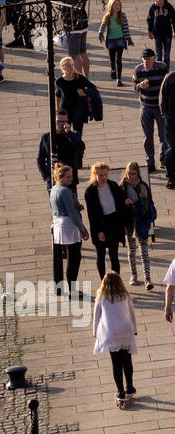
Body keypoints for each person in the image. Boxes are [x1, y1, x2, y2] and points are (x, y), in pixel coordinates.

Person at [93, 272, 138, 405]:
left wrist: (95, 332)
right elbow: (132, 314)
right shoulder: (125, 296)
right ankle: (130, 387)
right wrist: (135, 330)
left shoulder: (101, 297)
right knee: (127, 361)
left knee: (116, 363)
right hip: (125, 332)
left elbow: (96, 317)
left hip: (111, 334)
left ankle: (120, 391)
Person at [51, 163, 88, 295]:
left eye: (71, 176)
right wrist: (83, 229)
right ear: (60, 178)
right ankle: (72, 289)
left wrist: (77, 204)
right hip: (69, 226)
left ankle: (61, 288)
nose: (71, 179)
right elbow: (72, 213)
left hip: (58, 223)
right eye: (68, 177)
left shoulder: (55, 189)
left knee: (66, 257)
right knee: (74, 258)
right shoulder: (65, 191)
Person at [85, 161, 126, 279]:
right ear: (95, 175)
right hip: (100, 224)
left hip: (114, 223)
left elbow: (121, 203)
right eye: (100, 175)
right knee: (101, 255)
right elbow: (92, 215)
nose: (103, 177)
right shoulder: (90, 191)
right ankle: (103, 281)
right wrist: (99, 231)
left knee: (114, 255)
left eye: (105, 174)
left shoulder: (113, 186)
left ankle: (116, 282)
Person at [121, 161, 155, 290]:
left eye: (134, 174)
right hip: (129, 223)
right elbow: (119, 205)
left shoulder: (143, 186)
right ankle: (133, 274)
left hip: (142, 222)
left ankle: (147, 279)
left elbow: (150, 202)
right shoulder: (123, 186)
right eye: (129, 173)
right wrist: (125, 202)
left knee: (144, 250)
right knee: (132, 250)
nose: (131, 176)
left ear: (138, 174)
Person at [133, 48, 166, 173]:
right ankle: (150, 162)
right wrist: (139, 86)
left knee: (163, 135)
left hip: (160, 106)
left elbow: (167, 83)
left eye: (149, 59)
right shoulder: (138, 70)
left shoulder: (162, 67)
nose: (146, 61)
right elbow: (134, 86)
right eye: (144, 59)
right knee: (147, 136)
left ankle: (163, 160)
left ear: (154, 59)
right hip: (145, 105)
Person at [52, 0, 90, 77]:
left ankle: (79, 79)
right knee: (83, 53)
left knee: (75, 56)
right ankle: (86, 77)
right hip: (83, 25)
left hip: (73, 26)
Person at [38, 112, 85, 194]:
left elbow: (80, 148)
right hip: (53, 179)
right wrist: (46, 176)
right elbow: (40, 159)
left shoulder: (73, 135)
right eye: (59, 121)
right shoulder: (46, 137)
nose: (61, 124)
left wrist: (70, 133)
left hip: (69, 180)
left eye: (64, 121)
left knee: (71, 204)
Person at [97, 0, 132, 85]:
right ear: (111, 6)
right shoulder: (108, 16)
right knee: (112, 59)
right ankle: (113, 69)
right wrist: (100, 35)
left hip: (120, 40)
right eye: (115, 5)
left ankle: (119, 79)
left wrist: (129, 40)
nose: (117, 7)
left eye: (119, 5)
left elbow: (126, 29)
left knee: (118, 59)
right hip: (111, 40)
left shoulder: (122, 16)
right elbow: (102, 27)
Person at [55, 56, 92, 137]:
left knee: (77, 133)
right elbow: (58, 96)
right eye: (69, 65)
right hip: (65, 110)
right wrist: (58, 111)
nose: (71, 67)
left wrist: (84, 92)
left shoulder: (79, 78)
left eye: (72, 65)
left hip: (78, 109)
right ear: (63, 67)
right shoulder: (59, 81)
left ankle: (78, 149)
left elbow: (92, 88)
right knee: (64, 134)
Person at [147, 0, 175, 68]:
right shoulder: (153, 7)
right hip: (157, 34)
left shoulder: (169, 7)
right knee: (158, 55)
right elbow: (150, 20)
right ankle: (159, 72)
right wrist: (150, 31)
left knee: (166, 56)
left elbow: (174, 20)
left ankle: (166, 72)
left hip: (167, 34)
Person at [162, 64, 175, 189]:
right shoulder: (170, 77)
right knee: (171, 149)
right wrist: (164, 113)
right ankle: (171, 176)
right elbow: (163, 95)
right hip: (171, 119)